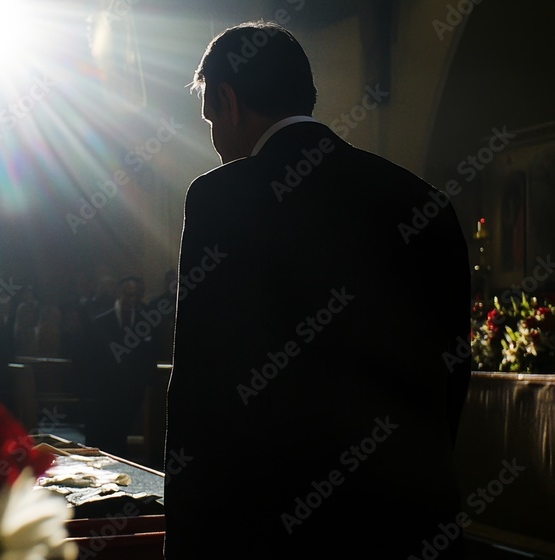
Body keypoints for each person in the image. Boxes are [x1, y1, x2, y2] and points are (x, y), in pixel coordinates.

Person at [165, 22, 471, 558]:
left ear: (228, 101)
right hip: (410, 520)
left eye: (211, 119)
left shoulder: (222, 199)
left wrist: (187, 536)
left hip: (273, 526)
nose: (215, 143)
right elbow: (453, 370)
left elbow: (202, 386)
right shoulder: (421, 200)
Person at [85, 276, 156, 458]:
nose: (129, 299)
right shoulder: (101, 322)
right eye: (126, 293)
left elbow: (149, 354)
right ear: (118, 293)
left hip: (133, 389)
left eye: (133, 295)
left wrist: (145, 381)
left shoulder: (145, 322)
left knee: (123, 432)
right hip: (106, 389)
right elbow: (93, 357)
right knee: (107, 434)